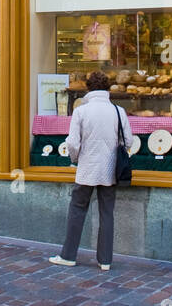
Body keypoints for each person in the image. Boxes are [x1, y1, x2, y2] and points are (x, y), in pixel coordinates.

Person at [49, 70, 129, 271]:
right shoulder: (118, 111)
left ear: (88, 88)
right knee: (107, 213)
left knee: (77, 209)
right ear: (107, 88)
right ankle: (105, 260)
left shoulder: (81, 111)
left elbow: (73, 143)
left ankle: (68, 255)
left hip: (87, 168)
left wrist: (75, 159)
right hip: (110, 170)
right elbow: (128, 140)